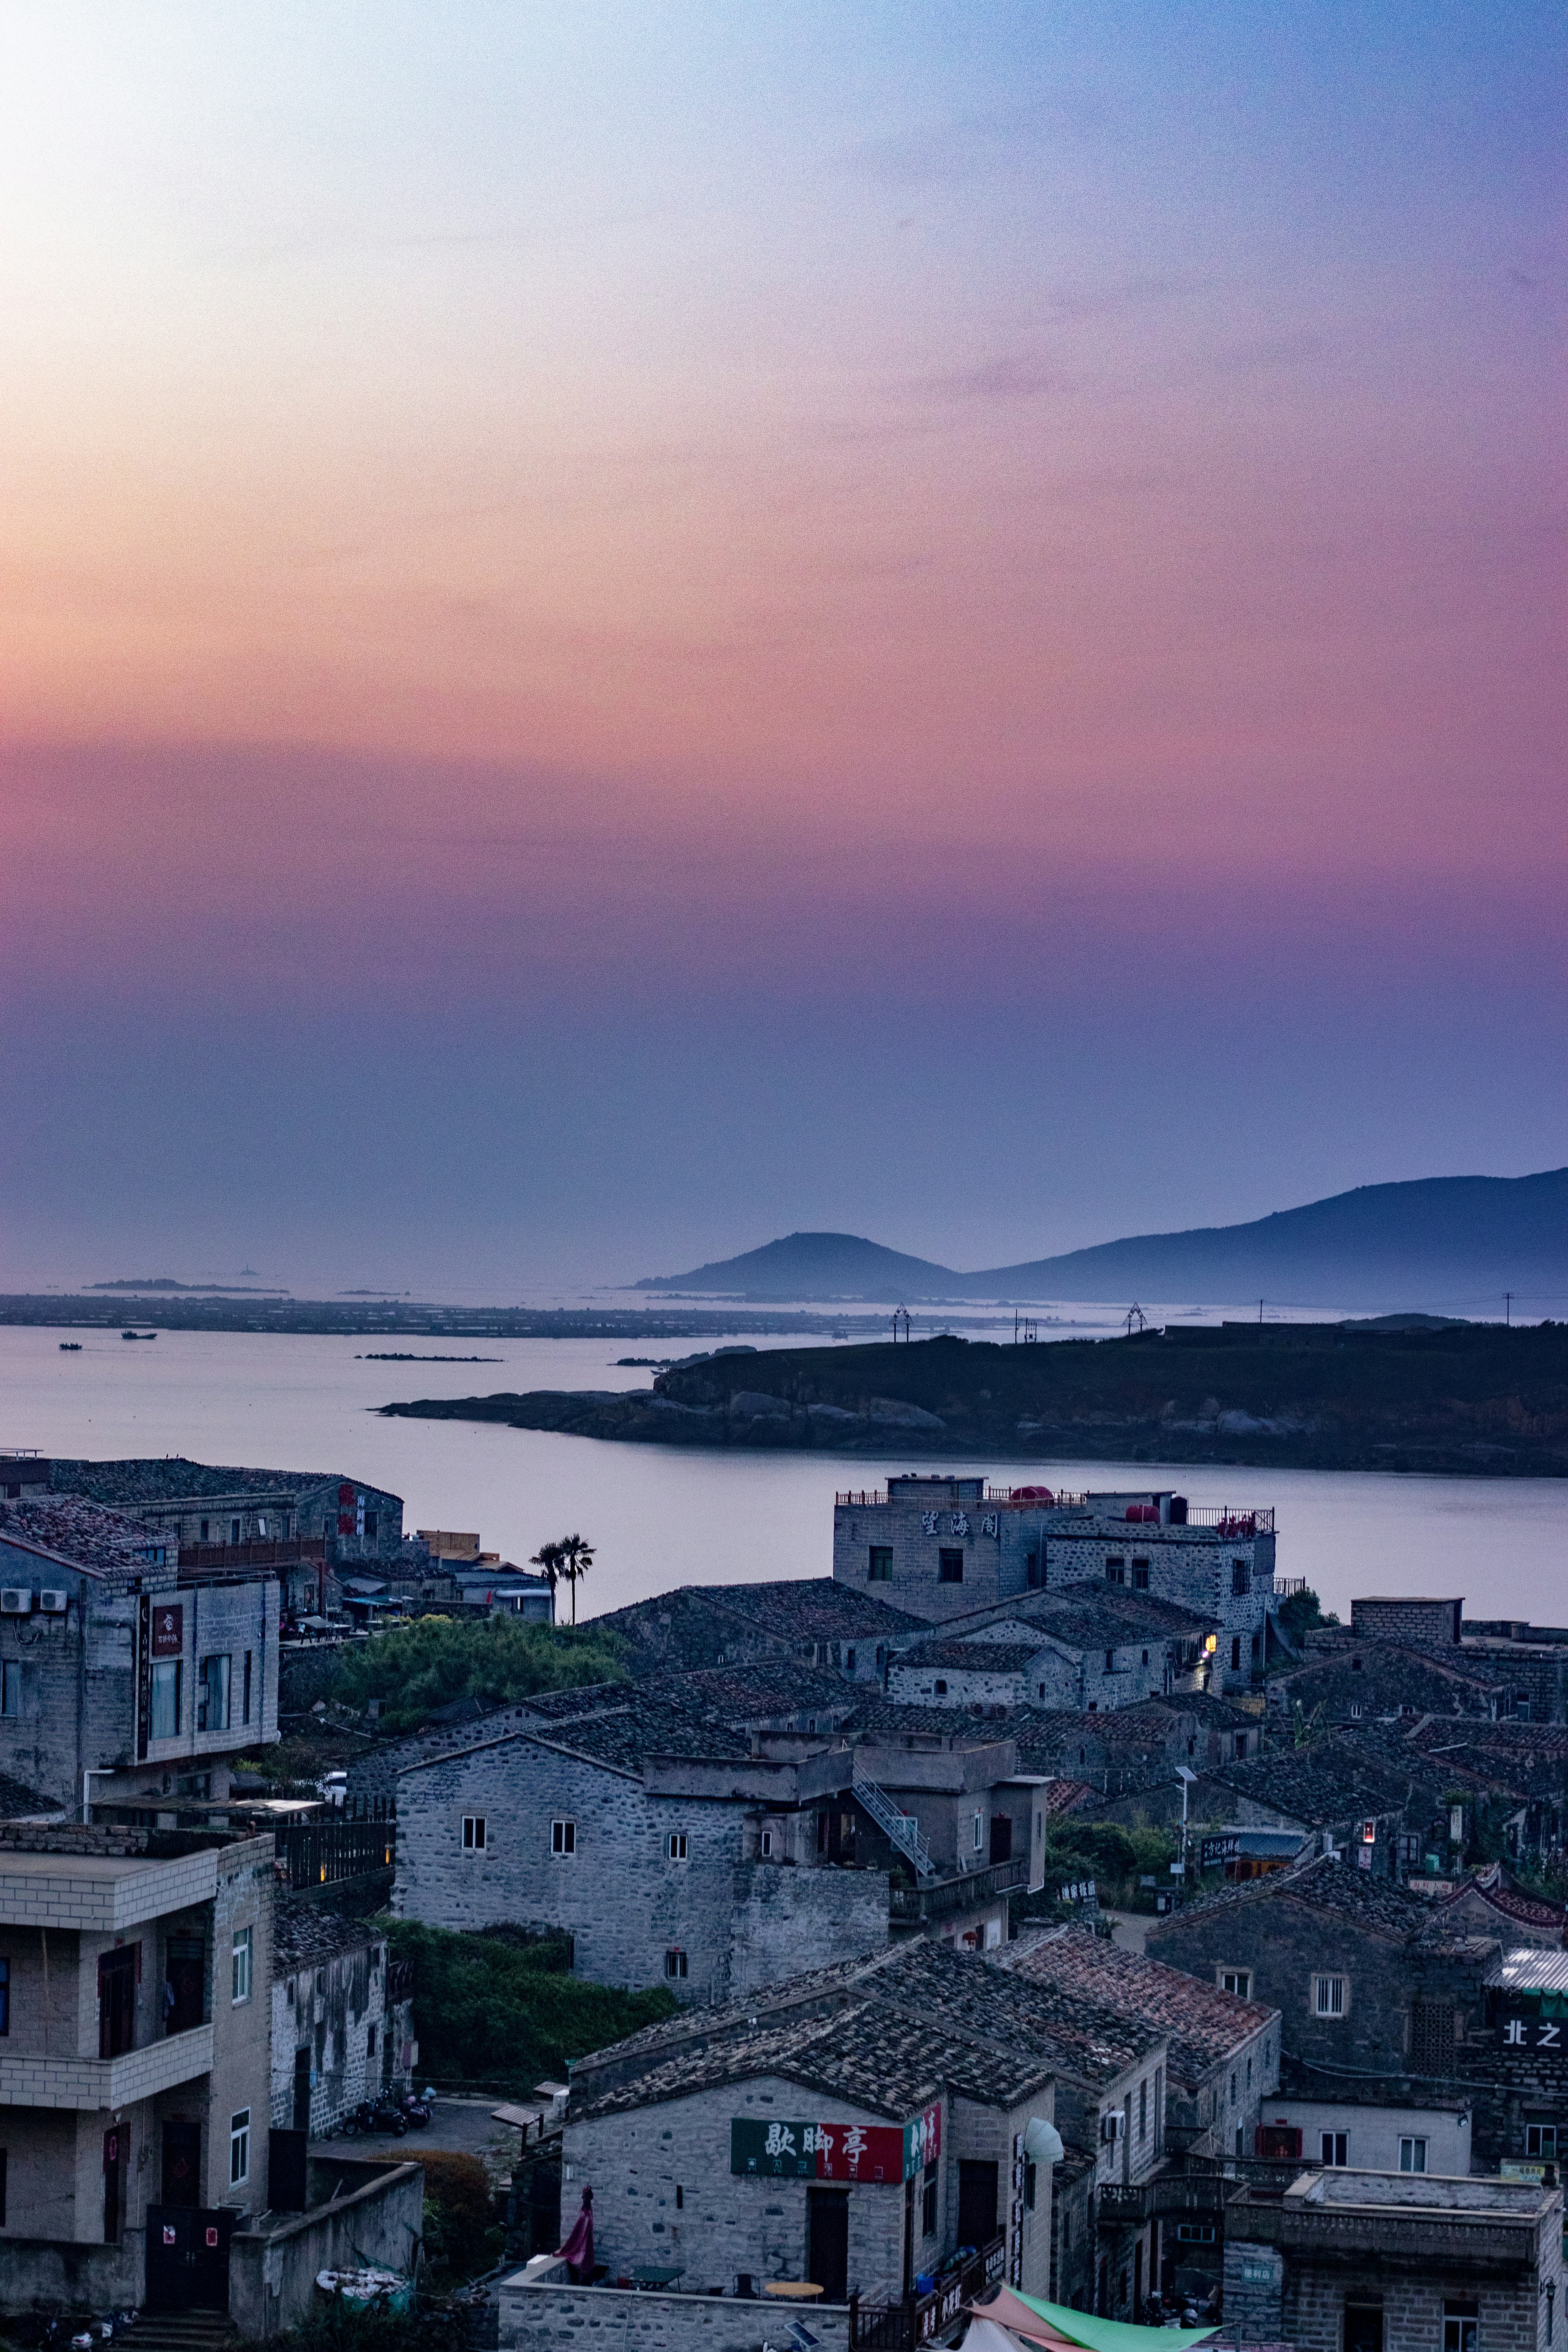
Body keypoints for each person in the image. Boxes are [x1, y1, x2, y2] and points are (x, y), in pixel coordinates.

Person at [559, 2187, 594, 2281]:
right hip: (582, 2239)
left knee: (582, 2260)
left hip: (585, 2240)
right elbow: (580, 2228)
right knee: (578, 2260)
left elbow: (586, 2228)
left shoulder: (588, 2213)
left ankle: (583, 2277)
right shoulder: (584, 2212)